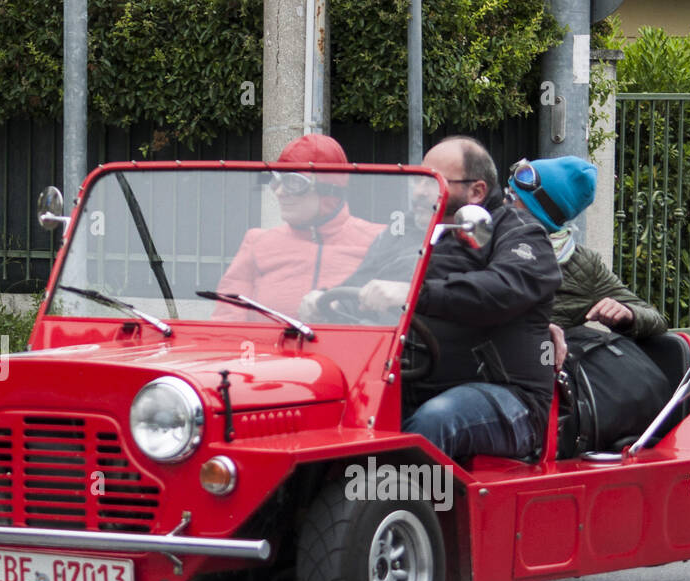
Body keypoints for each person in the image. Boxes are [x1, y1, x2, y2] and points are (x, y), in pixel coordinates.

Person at [335, 136, 562, 462]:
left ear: (477, 192)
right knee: (332, 410)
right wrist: (321, 300)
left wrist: (415, 294)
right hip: (406, 382)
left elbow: (503, 289)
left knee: (437, 420)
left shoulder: (518, 230)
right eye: (419, 180)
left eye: (433, 182)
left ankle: (396, 510)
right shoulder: (404, 235)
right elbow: (357, 283)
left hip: (507, 395)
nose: (418, 192)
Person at [211, 134, 383, 322]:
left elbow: (395, 315)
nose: (279, 192)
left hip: (349, 350)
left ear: (328, 189)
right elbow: (227, 318)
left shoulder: (380, 240)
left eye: (293, 182)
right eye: (275, 180)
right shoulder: (257, 242)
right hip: (270, 350)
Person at [505, 155, 668, 338]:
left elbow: (657, 320)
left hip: (531, 362)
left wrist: (628, 313)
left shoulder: (583, 265)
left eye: (512, 197)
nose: (503, 203)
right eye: (507, 193)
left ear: (540, 211)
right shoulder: (484, 238)